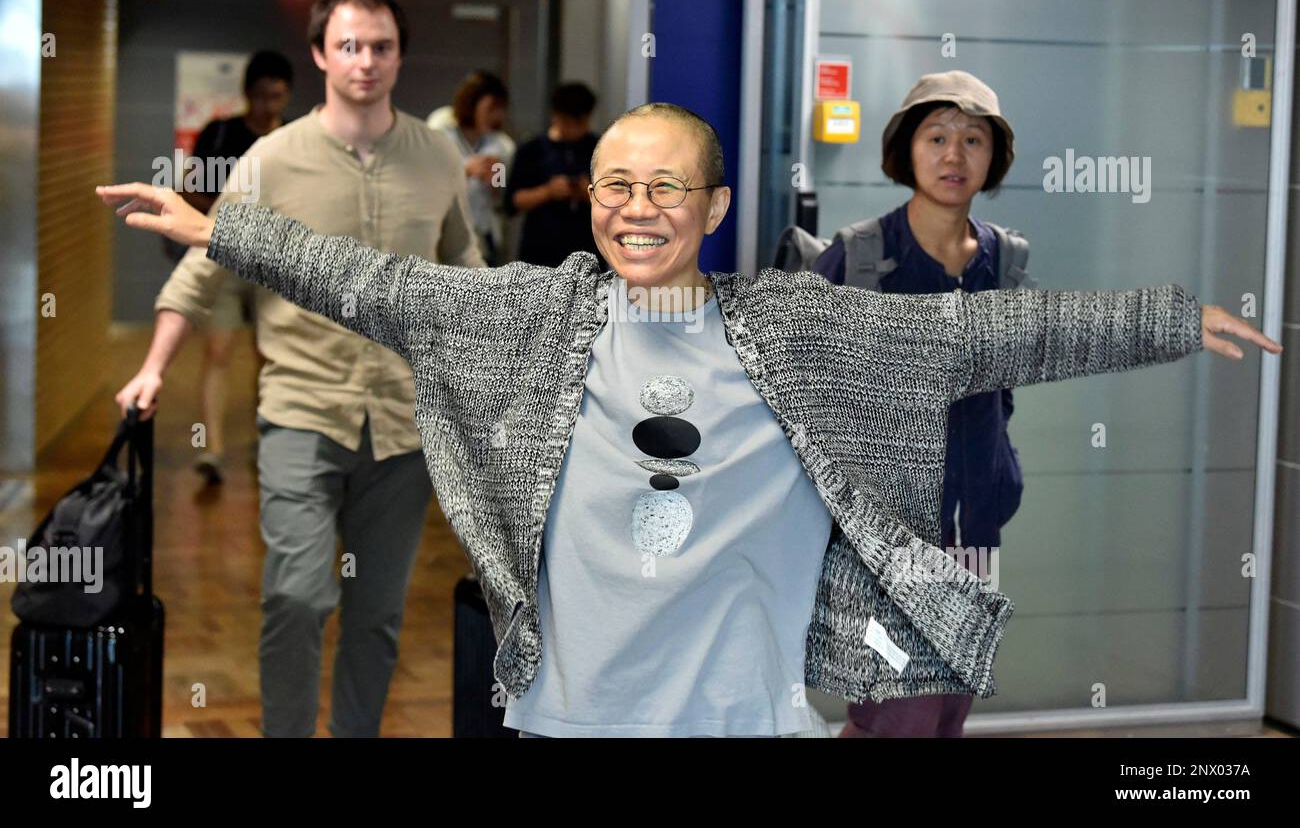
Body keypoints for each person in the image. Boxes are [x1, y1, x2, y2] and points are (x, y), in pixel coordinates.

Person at [98, 102, 1280, 738]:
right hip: (569, 717)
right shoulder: (536, 316)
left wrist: (1169, 318)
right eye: (616, 183)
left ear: (713, 206)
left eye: (666, 186)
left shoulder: (796, 327)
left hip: (745, 719)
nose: (637, 206)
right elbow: (379, 284)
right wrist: (220, 229)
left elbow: (981, 335)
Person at [111, 0, 485, 738]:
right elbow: (202, 269)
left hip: (405, 426)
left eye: (380, 46)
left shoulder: (438, 155)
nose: (365, 61)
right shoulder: (271, 159)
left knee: (376, 613)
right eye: (348, 46)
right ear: (320, 54)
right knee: (297, 596)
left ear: (400, 56)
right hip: (301, 411)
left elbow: (464, 266)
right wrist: (152, 367)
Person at [815, 70, 1025, 737]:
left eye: (973, 139)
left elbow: (1003, 395)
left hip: (975, 535)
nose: (954, 155)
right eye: (936, 137)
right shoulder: (858, 258)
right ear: (907, 149)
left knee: (943, 716)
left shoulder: (1006, 261)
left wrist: (1000, 478)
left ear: (994, 157)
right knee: (902, 713)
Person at [168, 50, 294, 485]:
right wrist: (226, 213)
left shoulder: (293, 139)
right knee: (217, 350)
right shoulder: (220, 134)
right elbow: (188, 189)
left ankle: (267, 440)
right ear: (247, 94)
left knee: (270, 354)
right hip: (222, 254)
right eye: (261, 97)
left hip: (273, 261)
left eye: (276, 97)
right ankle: (212, 449)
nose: (268, 106)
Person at [506, 82, 601, 267]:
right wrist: (548, 192)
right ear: (555, 116)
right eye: (568, 123)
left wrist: (589, 193)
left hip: (587, 254)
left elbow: (618, 199)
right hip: (539, 253)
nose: (573, 130)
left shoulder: (600, 148)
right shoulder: (531, 149)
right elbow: (512, 202)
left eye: (580, 124)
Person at [428, 70, 515, 265]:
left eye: (500, 109)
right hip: (445, 231)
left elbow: (500, 194)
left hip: (483, 234)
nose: (496, 116)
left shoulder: (502, 145)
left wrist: (495, 179)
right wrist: (466, 170)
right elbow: (427, 178)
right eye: (490, 108)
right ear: (472, 104)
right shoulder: (441, 130)